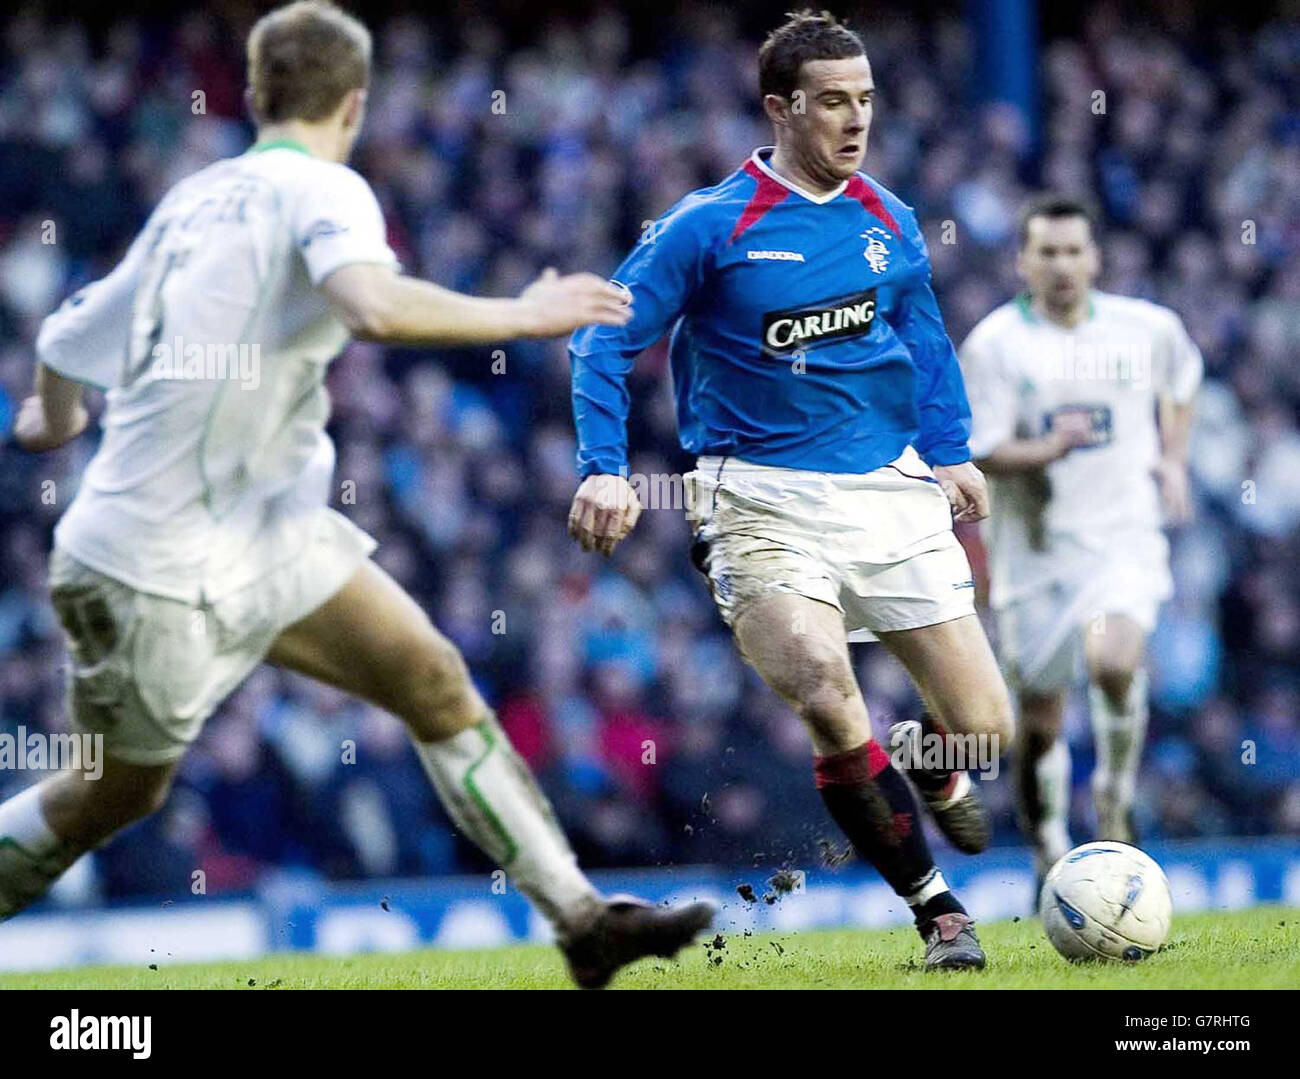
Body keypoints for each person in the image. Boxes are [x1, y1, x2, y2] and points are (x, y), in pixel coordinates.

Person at [2, 0, 712, 990]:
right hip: (156, 563)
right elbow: (370, 303)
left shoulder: (190, 201)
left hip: (255, 532)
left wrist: (52, 420)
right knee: (109, 795)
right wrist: (525, 310)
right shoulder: (324, 189)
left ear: (255, 96)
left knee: (431, 679)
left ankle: (583, 919)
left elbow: (66, 335)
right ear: (356, 103)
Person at [566, 9, 1013, 970]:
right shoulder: (710, 224)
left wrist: (952, 446)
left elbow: (926, 340)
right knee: (820, 683)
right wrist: (603, 466)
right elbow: (603, 332)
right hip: (757, 496)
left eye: (866, 101)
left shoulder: (889, 217)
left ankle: (925, 762)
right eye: (834, 103)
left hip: (888, 490)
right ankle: (940, 911)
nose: (856, 121)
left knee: (982, 732)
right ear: (780, 107)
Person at [959, 195, 1202, 886]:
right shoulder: (996, 344)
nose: (1063, 264)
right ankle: (1048, 847)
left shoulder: (1145, 328)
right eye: (1048, 252)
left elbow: (1183, 381)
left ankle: (1115, 800)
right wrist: (1046, 450)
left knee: (1114, 658)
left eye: (1074, 251)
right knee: (1038, 724)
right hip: (1034, 554)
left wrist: (1174, 457)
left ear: (1095, 257)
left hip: (1122, 537)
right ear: (1024, 261)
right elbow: (979, 451)